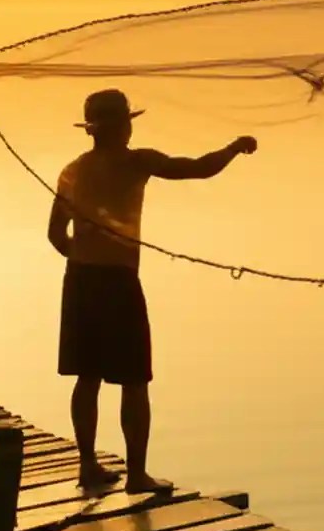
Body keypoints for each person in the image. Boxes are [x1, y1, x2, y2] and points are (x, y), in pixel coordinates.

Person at [47, 88, 257, 493]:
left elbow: (56, 236)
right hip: (118, 283)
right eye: (126, 121)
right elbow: (197, 168)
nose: (128, 128)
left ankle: (88, 466)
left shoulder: (72, 171)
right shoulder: (136, 161)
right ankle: (137, 475)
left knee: (86, 376)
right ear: (121, 126)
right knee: (134, 379)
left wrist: (87, 254)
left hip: (79, 280)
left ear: (91, 130)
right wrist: (234, 148)